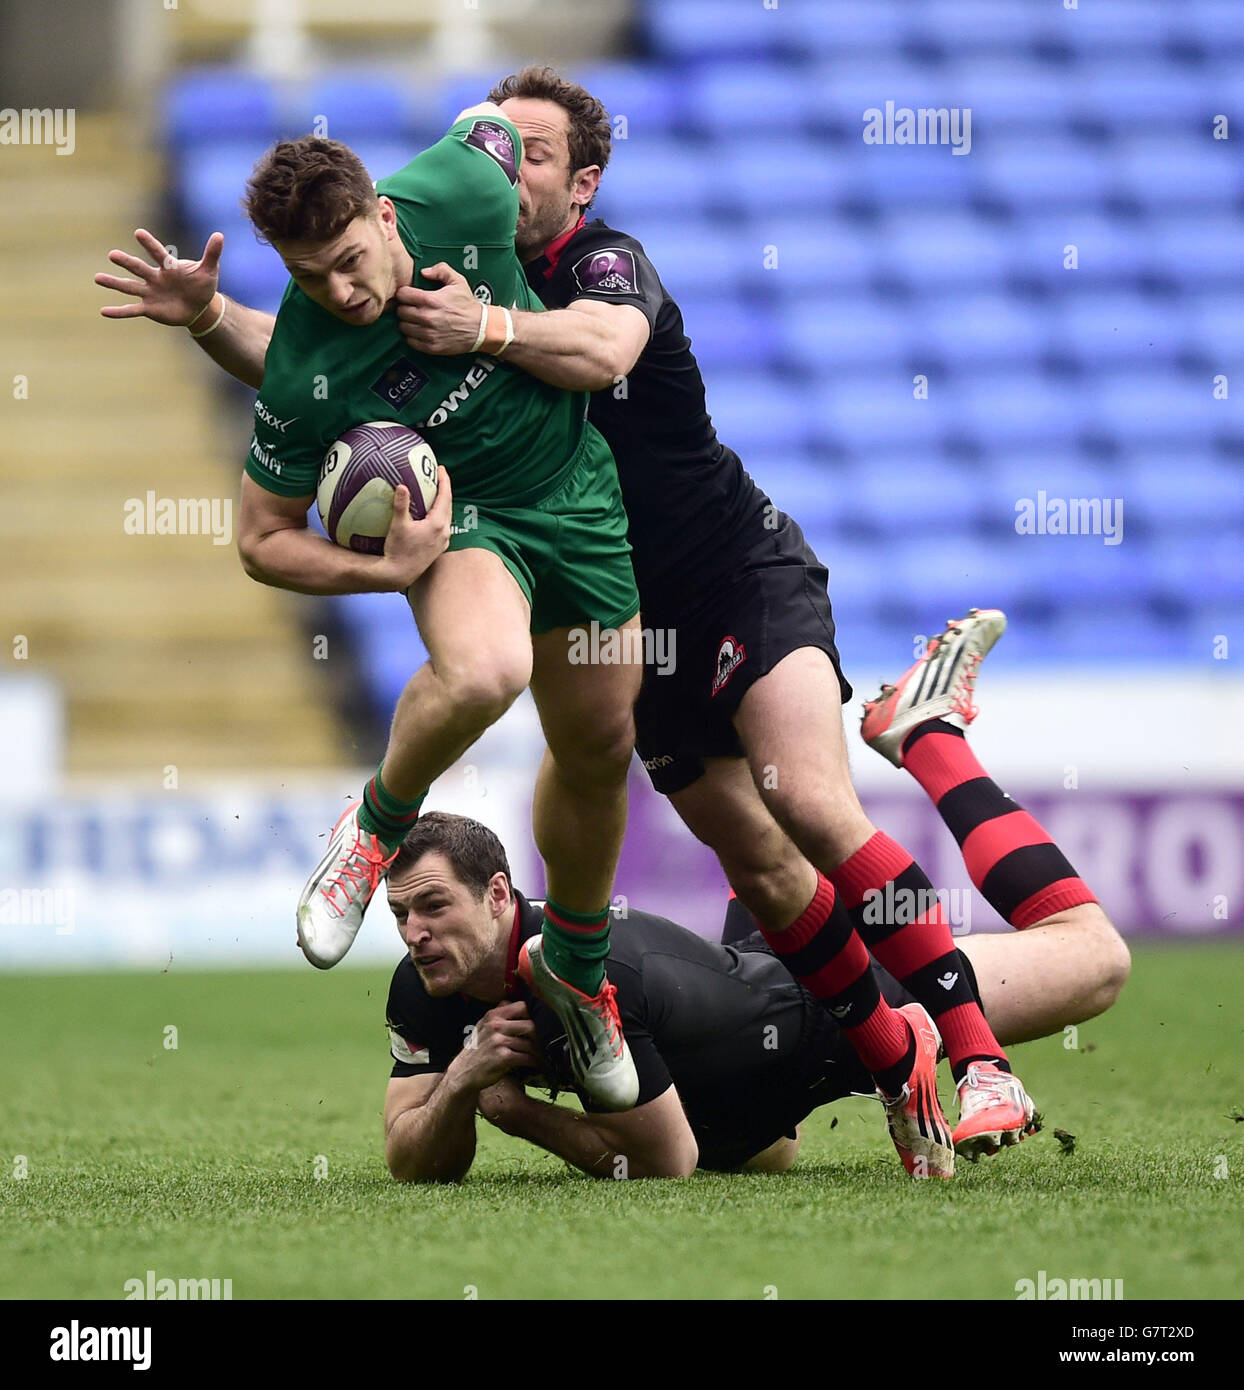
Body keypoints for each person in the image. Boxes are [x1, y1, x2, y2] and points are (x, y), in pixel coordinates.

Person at [94, 102, 647, 1110]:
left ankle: (574, 968)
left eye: (350, 260)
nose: (340, 292)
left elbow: (490, 121)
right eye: (310, 277)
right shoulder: (305, 366)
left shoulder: (462, 188)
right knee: (487, 671)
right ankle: (374, 829)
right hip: (461, 520)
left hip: (577, 490)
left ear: (385, 216)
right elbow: (261, 539)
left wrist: (497, 297)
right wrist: (392, 571)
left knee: (601, 746)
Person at [381, 635, 1128, 1180]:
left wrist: (518, 1112)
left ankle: (929, 738)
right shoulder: (428, 980)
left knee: (1096, 959)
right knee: (764, 1141)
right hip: (744, 1040)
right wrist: (462, 1081)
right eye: (401, 915)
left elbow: (667, 1163)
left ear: (499, 895)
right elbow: (409, 1158)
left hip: (824, 1007)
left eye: (433, 906)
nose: (416, 933)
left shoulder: (587, 970)